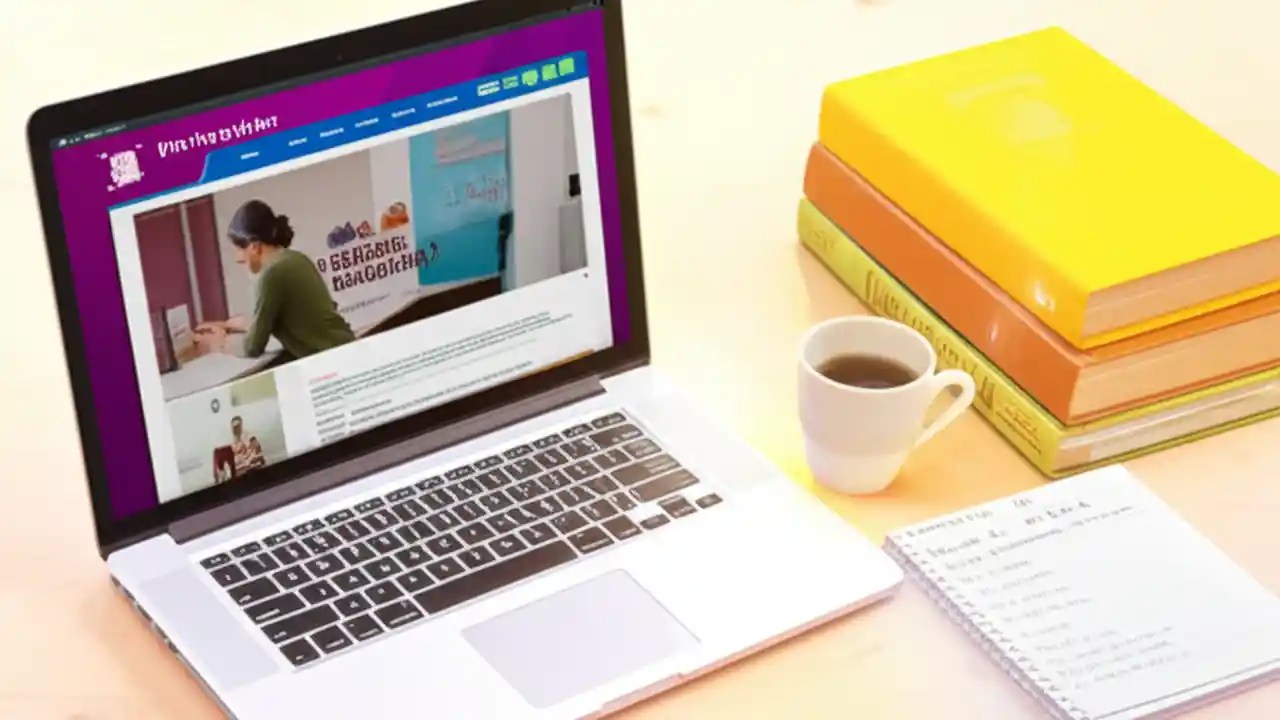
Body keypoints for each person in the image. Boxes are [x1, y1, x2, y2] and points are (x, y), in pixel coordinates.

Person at [195, 199, 355, 359]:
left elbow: (252, 347)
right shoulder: (295, 258)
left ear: (254, 246)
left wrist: (217, 344)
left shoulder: (271, 275)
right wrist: (225, 326)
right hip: (345, 348)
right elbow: (264, 320)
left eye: (239, 250)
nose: (238, 259)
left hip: (332, 358)